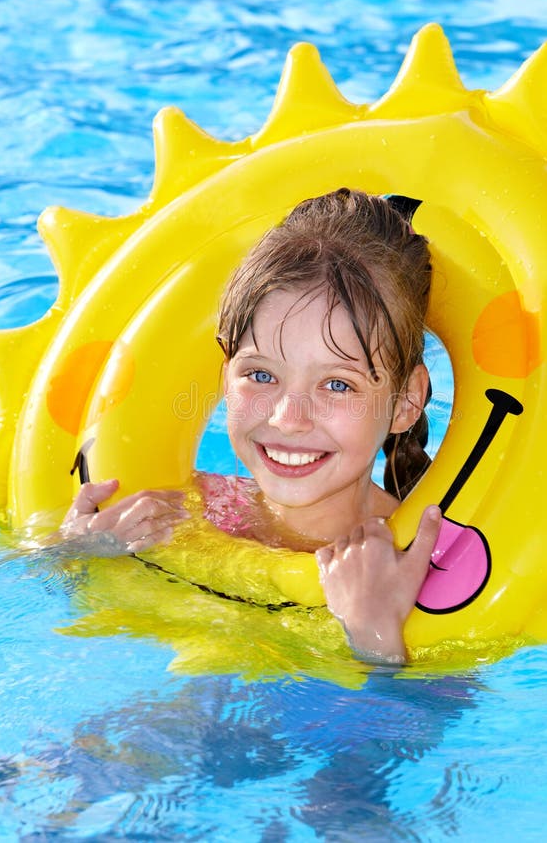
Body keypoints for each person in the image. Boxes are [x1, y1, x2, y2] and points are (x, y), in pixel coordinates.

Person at [59, 189, 443, 664]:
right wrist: (76, 550)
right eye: (261, 375)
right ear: (225, 377)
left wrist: (374, 637)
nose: (287, 419)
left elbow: (419, 728)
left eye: (338, 385)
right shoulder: (192, 506)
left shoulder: (414, 563)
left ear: (405, 400)